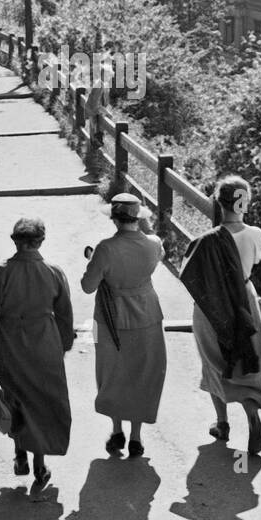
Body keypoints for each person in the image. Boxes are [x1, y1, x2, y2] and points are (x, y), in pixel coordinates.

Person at [0, 217, 75, 495]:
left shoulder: (0, 273)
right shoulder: (54, 272)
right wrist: (63, 345)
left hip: (8, 347)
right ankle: (40, 466)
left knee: (14, 400)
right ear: (41, 241)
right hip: (44, 347)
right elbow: (65, 315)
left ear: (15, 241)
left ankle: (20, 453)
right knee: (41, 405)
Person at [180, 175, 261, 456]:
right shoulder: (255, 234)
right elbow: (254, 262)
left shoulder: (205, 241)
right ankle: (251, 410)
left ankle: (222, 423)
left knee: (213, 361)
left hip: (213, 307)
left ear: (218, 203)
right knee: (246, 359)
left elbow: (193, 275)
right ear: (245, 202)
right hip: (244, 301)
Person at [80, 193, 167, 458]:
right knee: (143, 373)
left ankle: (117, 429)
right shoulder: (153, 244)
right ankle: (136, 436)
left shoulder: (105, 248)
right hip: (148, 314)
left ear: (115, 219)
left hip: (109, 319)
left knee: (112, 373)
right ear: (138, 218)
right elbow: (157, 254)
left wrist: (96, 264)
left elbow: (87, 286)